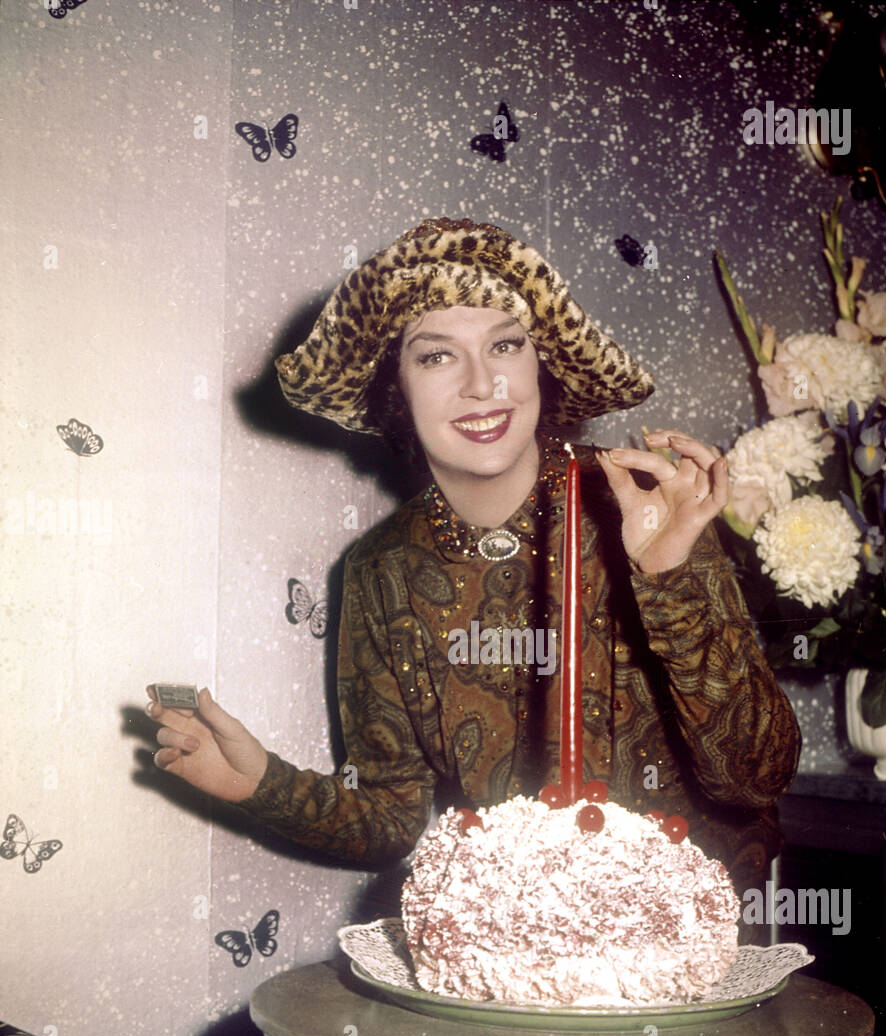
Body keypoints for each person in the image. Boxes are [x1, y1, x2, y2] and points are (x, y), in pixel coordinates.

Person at [146, 216, 800, 896]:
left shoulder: (643, 507)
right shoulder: (382, 571)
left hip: (686, 949)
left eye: (506, 345)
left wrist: (668, 581)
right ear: (394, 387)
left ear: (540, 364)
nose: (483, 383)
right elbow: (391, 820)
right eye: (437, 356)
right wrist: (258, 784)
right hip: (515, 942)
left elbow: (757, 779)